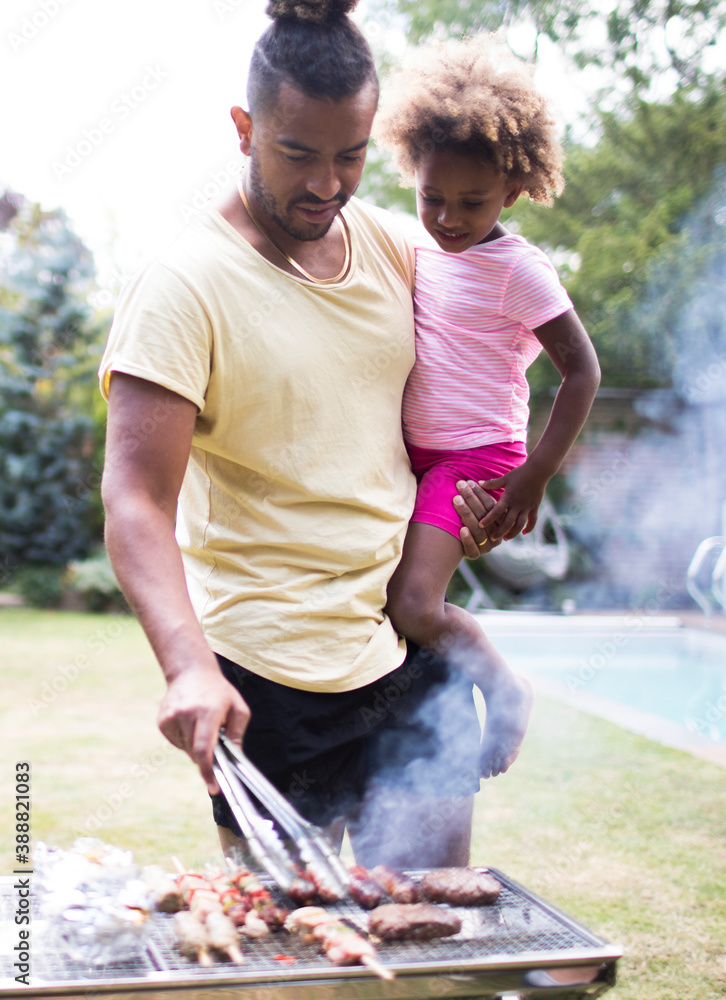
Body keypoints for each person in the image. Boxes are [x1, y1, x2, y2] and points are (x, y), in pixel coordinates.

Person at [100, 0, 495, 870]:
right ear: (244, 128)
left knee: (432, 934)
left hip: (403, 653)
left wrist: (498, 488)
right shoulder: (184, 285)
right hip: (270, 682)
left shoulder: (398, 249)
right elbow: (135, 500)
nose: (326, 184)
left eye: (350, 156)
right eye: (297, 154)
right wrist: (186, 666)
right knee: (299, 959)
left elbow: (482, 376)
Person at [373, 35, 601, 776]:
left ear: (511, 189)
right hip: (413, 458)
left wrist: (534, 476)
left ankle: (505, 689)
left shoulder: (519, 271)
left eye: (471, 202)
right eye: (431, 195)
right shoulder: (417, 246)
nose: (446, 216)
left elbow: (582, 371)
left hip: (475, 459)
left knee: (412, 604)